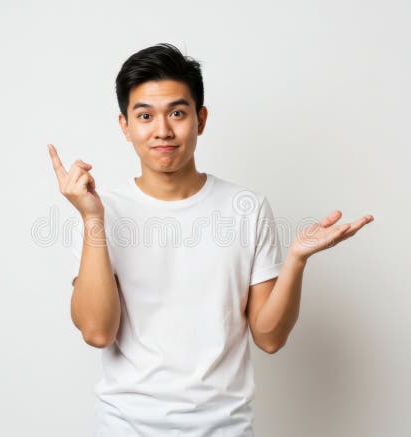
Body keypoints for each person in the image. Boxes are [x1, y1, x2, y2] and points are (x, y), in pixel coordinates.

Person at [47, 43, 373, 437]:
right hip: (126, 426)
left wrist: (296, 261)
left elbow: (269, 337)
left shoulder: (246, 207)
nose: (163, 130)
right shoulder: (100, 209)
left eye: (177, 113)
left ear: (200, 120)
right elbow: (97, 332)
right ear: (125, 126)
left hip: (225, 428)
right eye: (145, 115)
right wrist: (93, 219)